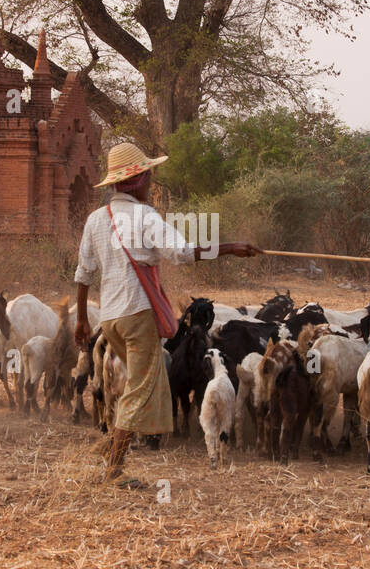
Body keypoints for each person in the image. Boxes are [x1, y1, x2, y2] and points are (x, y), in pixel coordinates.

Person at [74, 142, 261, 486]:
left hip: (110, 319)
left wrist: (82, 320)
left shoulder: (96, 220)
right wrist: (230, 248)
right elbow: (180, 253)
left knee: (136, 385)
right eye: (148, 176)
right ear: (137, 179)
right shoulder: (145, 216)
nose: (150, 182)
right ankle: (113, 467)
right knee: (140, 390)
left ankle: (110, 446)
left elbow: (83, 273)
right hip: (137, 315)